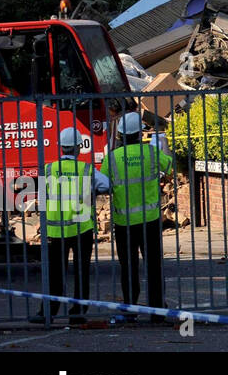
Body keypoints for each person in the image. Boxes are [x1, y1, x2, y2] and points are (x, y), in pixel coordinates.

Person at [31, 127, 110, 324]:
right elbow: (106, 185)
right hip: (81, 229)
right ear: (77, 148)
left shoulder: (49, 169)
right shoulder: (86, 169)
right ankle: (77, 313)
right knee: (81, 273)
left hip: (56, 229)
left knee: (55, 274)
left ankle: (48, 312)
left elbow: (42, 193)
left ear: (61, 148)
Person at [103, 111, 174, 323]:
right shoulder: (151, 153)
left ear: (122, 135)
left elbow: (103, 185)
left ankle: (130, 309)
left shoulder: (112, 158)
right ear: (140, 133)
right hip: (150, 221)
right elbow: (170, 167)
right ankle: (157, 310)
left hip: (124, 223)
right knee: (153, 266)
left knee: (129, 268)